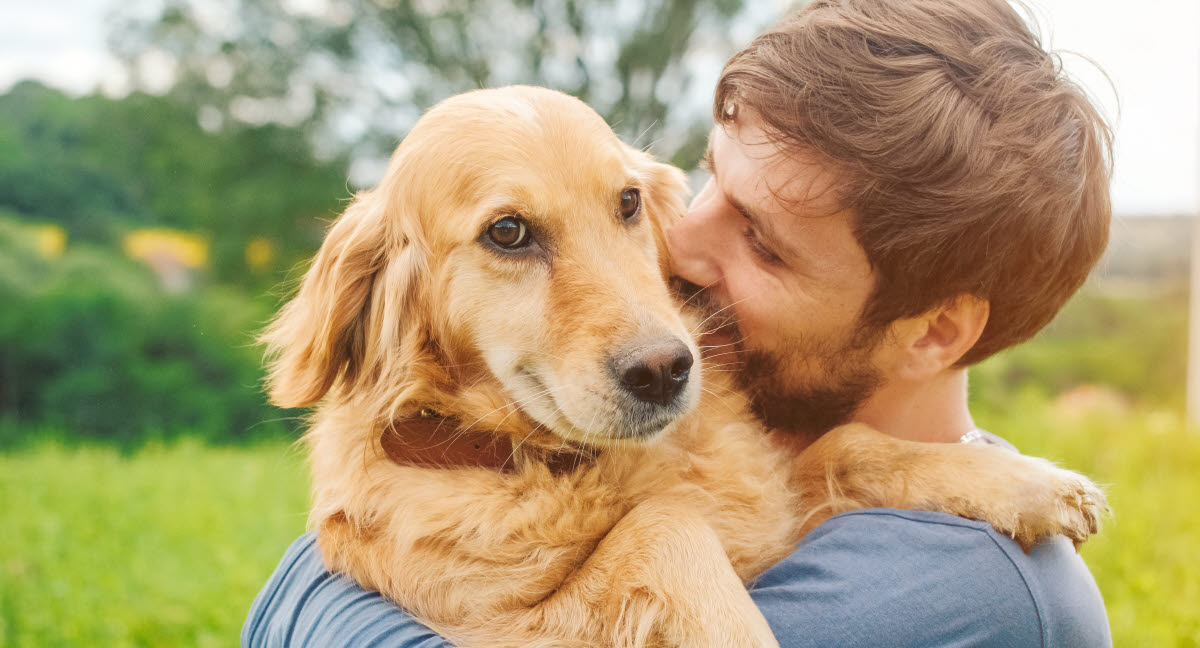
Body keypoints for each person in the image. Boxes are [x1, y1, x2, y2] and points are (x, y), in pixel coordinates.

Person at [242, 0, 1113, 645]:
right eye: (700, 186)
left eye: (765, 246)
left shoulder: (960, 599)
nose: (676, 246)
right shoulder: (701, 437)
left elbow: (297, 607)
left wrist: (664, 548)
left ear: (932, 333)